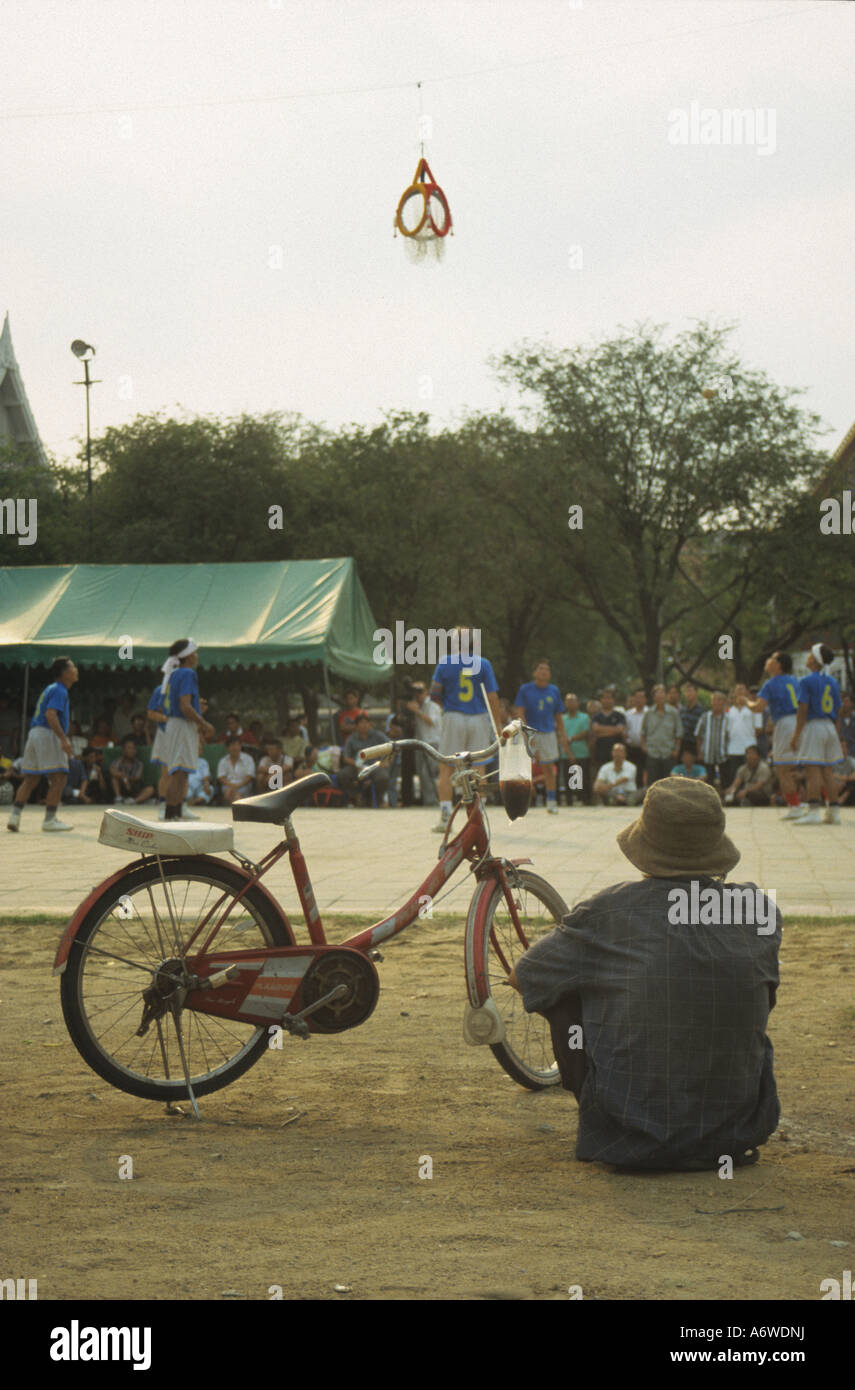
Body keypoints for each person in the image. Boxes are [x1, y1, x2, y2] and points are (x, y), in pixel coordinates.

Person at [509, 778, 781, 1171]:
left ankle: (609, 1104)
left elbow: (524, 976)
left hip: (631, 1137)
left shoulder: (608, 913)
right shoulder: (757, 909)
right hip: (739, 1130)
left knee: (560, 990)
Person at [430, 626, 502, 834]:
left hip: (453, 716)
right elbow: (492, 696)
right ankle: (478, 818)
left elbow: (434, 693)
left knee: (446, 768)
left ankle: (445, 817)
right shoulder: (483, 663)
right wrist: (497, 723)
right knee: (479, 768)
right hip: (478, 717)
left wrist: (447, 706)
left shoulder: (445, 662)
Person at [7, 657, 79, 833]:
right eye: (72, 667)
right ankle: (50, 819)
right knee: (59, 777)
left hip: (35, 733)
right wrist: (63, 739)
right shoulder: (60, 690)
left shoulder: (51, 688)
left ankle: (14, 816)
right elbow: (51, 715)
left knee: (30, 779)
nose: (76, 669)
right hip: (48, 734)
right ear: (65, 673)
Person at [790, 643, 845, 825]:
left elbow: (803, 709)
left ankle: (813, 811)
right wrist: (835, 733)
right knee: (828, 772)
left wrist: (796, 734)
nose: (807, 657)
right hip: (829, 726)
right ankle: (834, 811)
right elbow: (839, 710)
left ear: (814, 659)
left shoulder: (806, 681)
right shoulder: (833, 681)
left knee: (812, 771)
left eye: (809, 654)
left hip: (814, 726)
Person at [160, 639, 215, 820]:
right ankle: (171, 813)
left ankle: (175, 812)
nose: (197, 656)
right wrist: (203, 723)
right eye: (195, 652)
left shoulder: (175, 674)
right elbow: (185, 706)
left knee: (181, 771)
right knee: (178, 771)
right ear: (189, 656)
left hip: (177, 724)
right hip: (182, 724)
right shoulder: (187, 673)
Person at [745, 653, 801, 820]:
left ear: (779, 664)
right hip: (798, 722)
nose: (768, 660)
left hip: (784, 724)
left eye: (772, 658)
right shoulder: (794, 680)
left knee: (782, 769)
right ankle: (818, 804)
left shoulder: (771, 683)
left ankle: (795, 806)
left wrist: (745, 701)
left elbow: (757, 707)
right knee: (806, 768)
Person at [512, 659, 571, 814]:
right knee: (524, 768)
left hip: (549, 733)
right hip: (531, 732)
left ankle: (551, 801)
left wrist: (563, 736)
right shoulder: (525, 689)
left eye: (547, 669)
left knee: (549, 769)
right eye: (541, 668)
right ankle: (520, 801)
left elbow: (558, 715)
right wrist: (525, 732)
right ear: (534, 672)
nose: (544, 671)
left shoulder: (554, 691)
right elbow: (520, 712)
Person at [338, 714, 390, 804]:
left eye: (367, 723)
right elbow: (346, 758)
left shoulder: (378, 735)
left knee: (383, 778)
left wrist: (385, 761)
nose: (364, 725)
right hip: (357, 766)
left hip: (374, 765)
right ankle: (355, 796)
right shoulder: (351, 739)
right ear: (356, 726)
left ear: (370, 724)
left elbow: (390, 747)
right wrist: (357, 764)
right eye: (361, 723)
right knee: (343, 775)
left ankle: (377, 799)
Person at [407, 681, 442, 806]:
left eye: (420, 692)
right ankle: (429, 800)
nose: (418, 695)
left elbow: (431, 721)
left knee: (432, 772)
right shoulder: (417, 706)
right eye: (415, 693)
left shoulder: (432, 706)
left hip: (432, 743)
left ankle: (438, 799)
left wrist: (417, 712)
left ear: (426, 692)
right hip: (420, 743)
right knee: (422, 773)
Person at [640, 684, 682, 785]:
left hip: (668, 753)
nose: (660, 698)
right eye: (657, 696)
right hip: (652, 753)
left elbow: (679, 733)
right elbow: (643, 732)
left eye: (662, 696)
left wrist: (676, 749)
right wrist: (644, 747)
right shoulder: (648, 713)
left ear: (666, 696)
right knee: (652, 784)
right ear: (654, 698)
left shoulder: (673, 713)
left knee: (669, 784)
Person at [695, 690, 729, 794]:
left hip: (724, 754)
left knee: (725, 779)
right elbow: (698, 735)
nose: (717, 702)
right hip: (708, 754)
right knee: (709, 782)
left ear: (724, 702)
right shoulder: (705, 717)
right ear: (711, 702)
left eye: (719, 700)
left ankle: (725, 799)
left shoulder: (728, 718)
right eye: (714, 700)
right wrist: (700, 752)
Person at [561, 693, 591, 807]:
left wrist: (571, 738)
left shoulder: (584, 717)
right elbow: (561, 736)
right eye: (568, 701)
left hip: (581, 752)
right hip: (566, 753)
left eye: (573, 701)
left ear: (577, 703)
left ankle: (586, 801)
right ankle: (569, 802)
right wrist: (569, 753)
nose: (571, 703)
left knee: (583, 778)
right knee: (568, 778)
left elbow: (585, 732)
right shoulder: (562, 718)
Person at [724, 685, 756, 789]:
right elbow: (727, 731)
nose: (740, 692)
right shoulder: (730, 710)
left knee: (748, 776)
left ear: (746, 692)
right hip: (733, 749)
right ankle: (734, 799)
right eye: (737, 690)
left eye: (742, 689)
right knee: (734, 775)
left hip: (748, 747)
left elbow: (759, 729)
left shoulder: (753, 708)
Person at [592, 740, 641, 806]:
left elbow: (624, 779)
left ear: (625, 754)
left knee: (643, 791)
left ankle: (623, 800)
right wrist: (599, 786)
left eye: (620, 751)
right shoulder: (605, 767)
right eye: (615, 751)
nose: (617, 753)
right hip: (612, 792)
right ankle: (620, 800)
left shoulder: (631, 766)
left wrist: (607, 786)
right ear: (612, 753)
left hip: (629, 792)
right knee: (607, 793)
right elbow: (597, 784)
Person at [589, 689, 627, 774]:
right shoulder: (596, 716)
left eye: (609, 698)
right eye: (604, 698)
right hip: (600, 752)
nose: (607, 700)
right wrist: (614, 730)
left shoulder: (619, 716)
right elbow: (595, 730)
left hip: (617, 753)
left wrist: (601, 731)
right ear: (601, 700)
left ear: (613, 700)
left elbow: (620, 730)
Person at [109, 738, 155, 806]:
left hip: (134, 787)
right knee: (114, 779)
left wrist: (127, 779)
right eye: (129, 748)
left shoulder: (139, 763)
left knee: (150, 789)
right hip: (122, 787)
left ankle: (134, 801)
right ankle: (119, 798)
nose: (132, 751)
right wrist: (123, 778)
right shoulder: (118, 761)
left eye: (134, 748)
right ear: (124, 750)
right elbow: (112, 770)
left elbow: (137, 777)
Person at [217, 735, 257, 803]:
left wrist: (238, 785)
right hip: (228, 785)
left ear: (240, 746)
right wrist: (231, 785)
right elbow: (221, 777)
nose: (235, 748)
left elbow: (250, 776)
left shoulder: (248, 759)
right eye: (232, 745)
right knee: (228, 793)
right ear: (227, 748)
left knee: (237, 796)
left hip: (244, 785)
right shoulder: (223, 761)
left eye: (237, 745)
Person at [623, 687, 648, 786]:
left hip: (645, 748)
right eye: (636, 697)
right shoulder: (628, 714)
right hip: (631, 748)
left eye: (641, 697)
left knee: (645, 773)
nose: (639, 700)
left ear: (645, 699)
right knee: (632, 772)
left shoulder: (649, 713)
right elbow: (625, 730)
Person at [186, 732, 214, 806]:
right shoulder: (185, 761)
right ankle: (190, 802)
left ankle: (194, 802)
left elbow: (206, 777)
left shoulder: (203, 762)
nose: (196, 751)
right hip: (187, 786)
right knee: (185, 793)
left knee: (210, 789)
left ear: (201, 752)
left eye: (198, 749)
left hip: (199, 786)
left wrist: (206, 784)